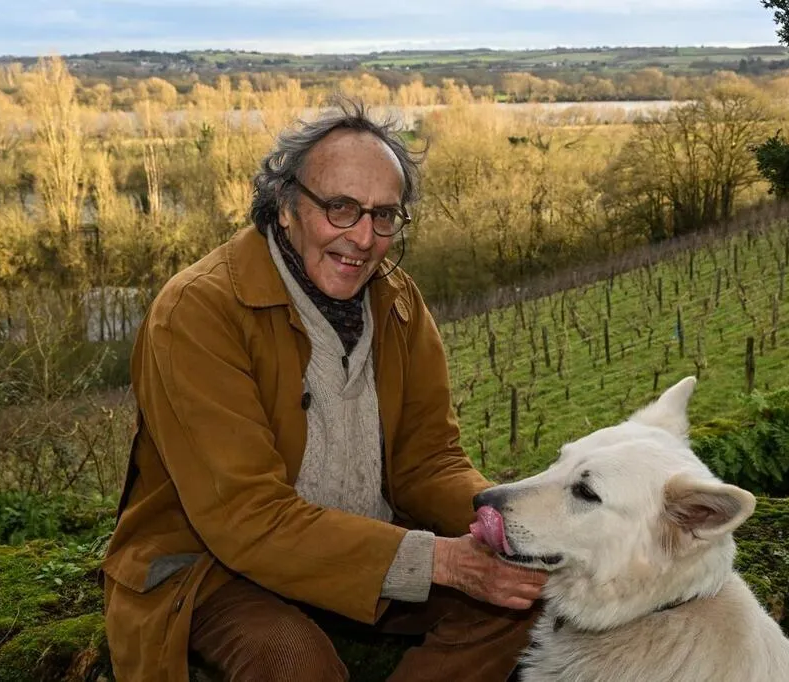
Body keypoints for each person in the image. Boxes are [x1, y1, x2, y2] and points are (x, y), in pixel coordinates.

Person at [101, 101, 548, 682]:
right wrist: (440, 561)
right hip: (212, 567)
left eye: (384, 215)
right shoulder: (198, 312)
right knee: (295, 663)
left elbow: (429, 461)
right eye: (340, 209)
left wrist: (515, 533)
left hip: (363, 549)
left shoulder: (399, 301)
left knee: (521, 601)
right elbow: (247, 519)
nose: (363, 238)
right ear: (286, 207)